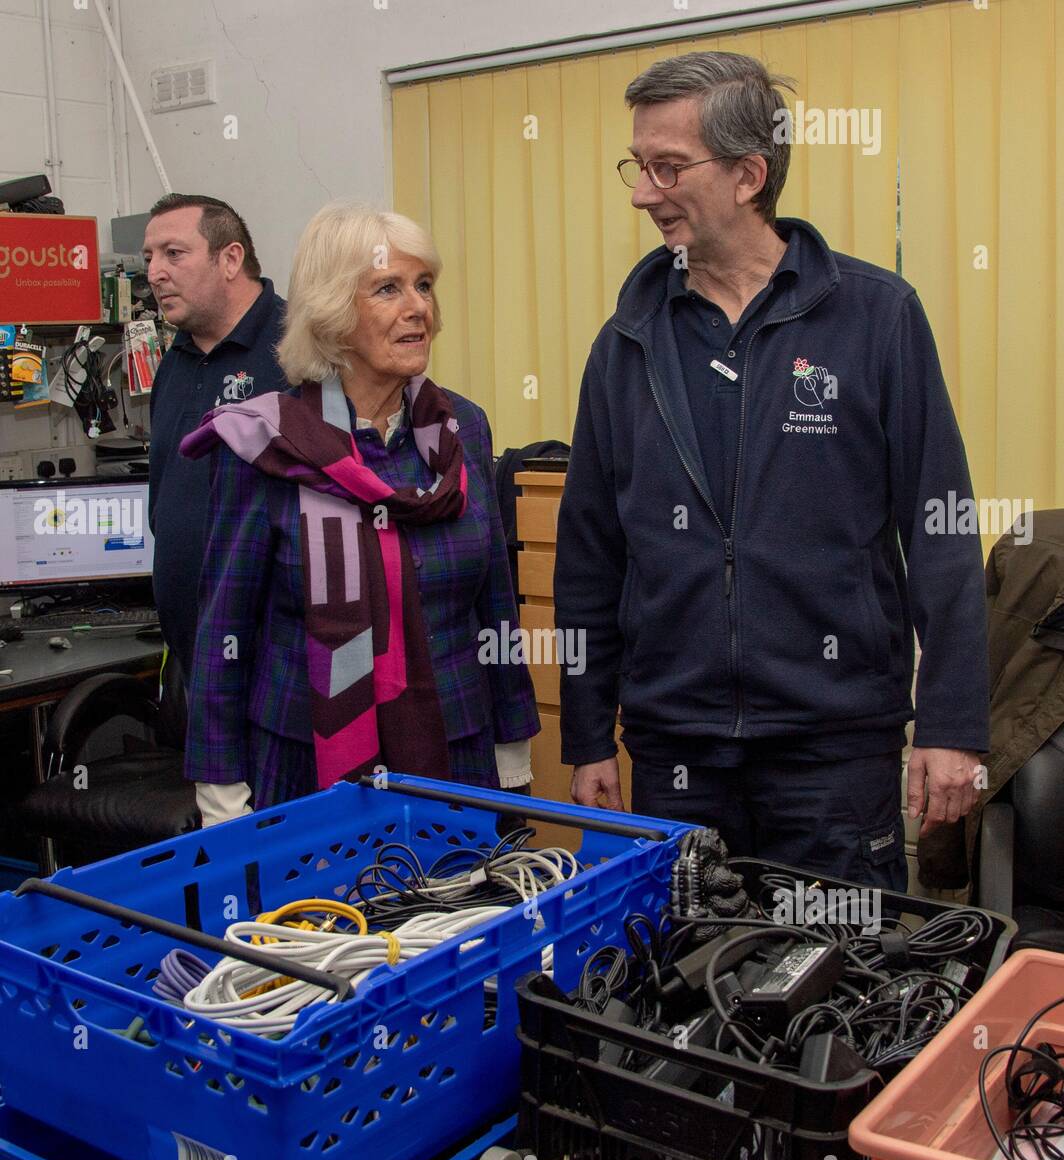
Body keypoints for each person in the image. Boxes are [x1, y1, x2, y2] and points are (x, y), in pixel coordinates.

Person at [554, 51, 990, 890]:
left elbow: (941, 529)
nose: (644, 192)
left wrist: (952, 723)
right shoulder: (627, 341)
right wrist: (583, 737)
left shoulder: (876, 316)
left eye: (668, 167)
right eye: (635, 167)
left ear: (749, 174)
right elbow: (589, 555)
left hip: (834, 750)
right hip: (674, 747)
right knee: (679, 990)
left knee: (839, 998)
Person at [180, 201, 539, 824]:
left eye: (424, 286)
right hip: (304, 766)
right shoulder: (267, 443)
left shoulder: (460, 429)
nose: (418, 308)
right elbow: (222, 631)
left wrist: (513, 746)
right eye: (388, 289)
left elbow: (496, 605)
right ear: (333, 312)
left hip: (456, 755)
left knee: (456, 921)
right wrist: (221, 794)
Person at [145, 194, 287, 680]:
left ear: (230, 259)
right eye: (149, 258)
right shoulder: (174, 363)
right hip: (192, 658)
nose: (155, 273)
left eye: (173, 254)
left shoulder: (298, 351)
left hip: (275, 663)